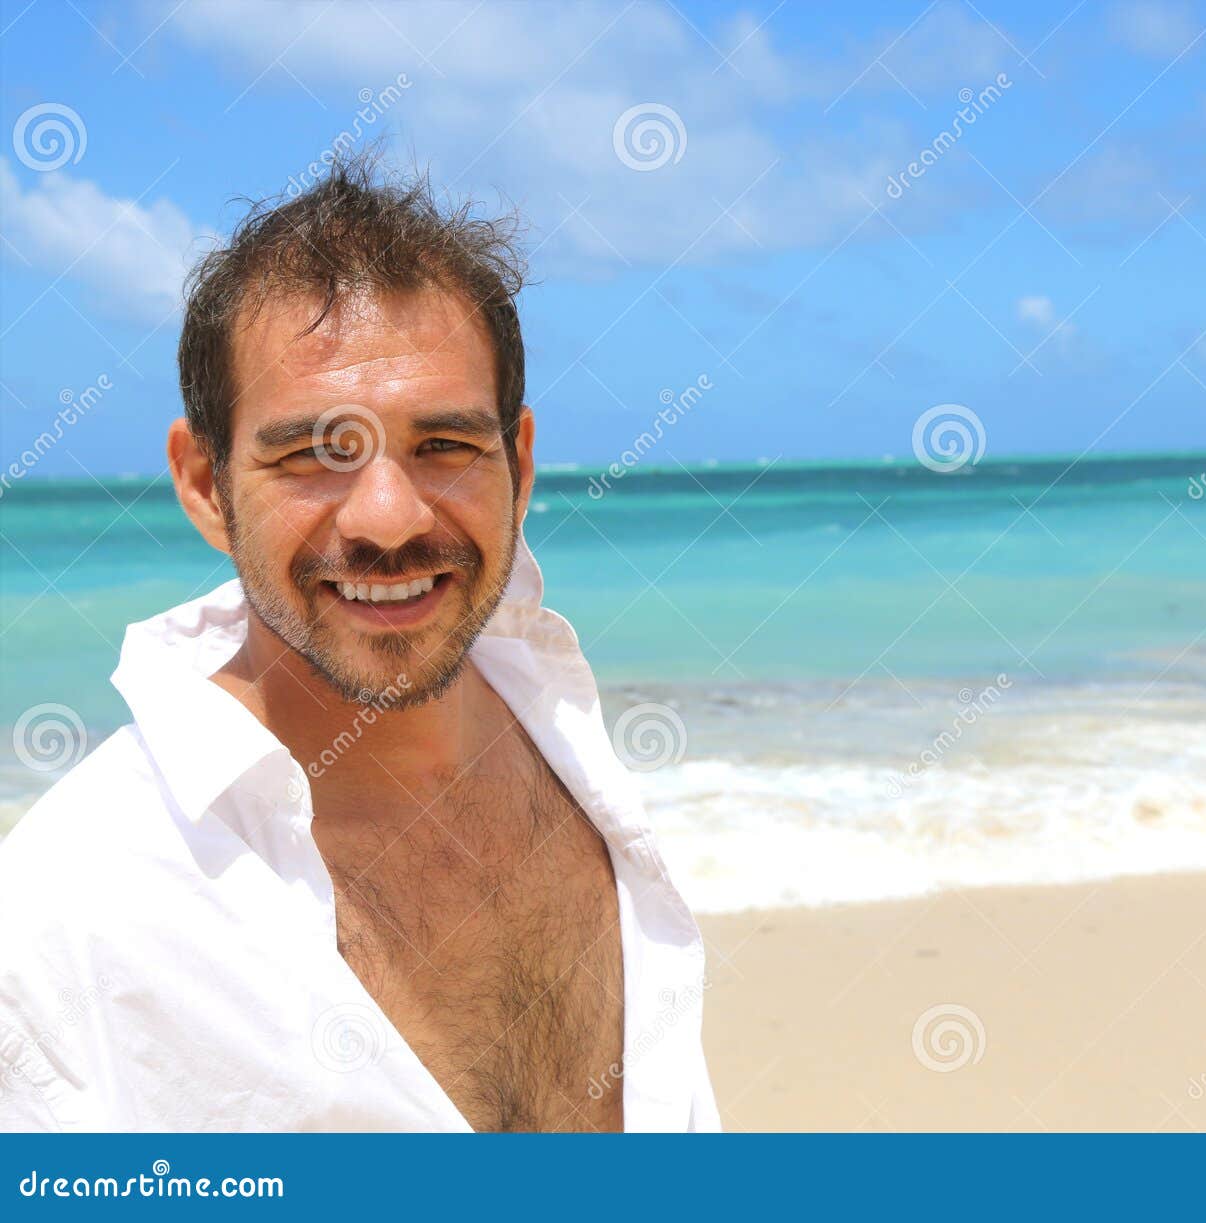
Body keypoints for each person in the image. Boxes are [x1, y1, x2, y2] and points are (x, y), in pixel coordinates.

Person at [0, 154, 718, 1132]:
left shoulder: (567, 733)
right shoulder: (66, 914)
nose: (387, 516)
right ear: (206, 483)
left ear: (519, 460)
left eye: (444, 444)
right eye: (313, 454)